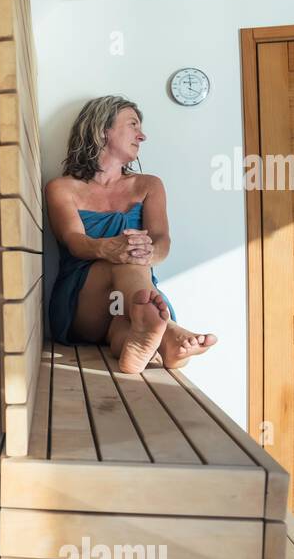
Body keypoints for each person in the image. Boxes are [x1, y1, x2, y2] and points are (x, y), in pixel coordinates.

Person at [46, 95, 217, 374]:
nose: (143, 135)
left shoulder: (149, 185)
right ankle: (169, 330)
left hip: (128, 304)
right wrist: (111, 249)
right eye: (133, 124)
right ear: (103, 130)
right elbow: (74, 242)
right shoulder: (62, 188)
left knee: (126, 326)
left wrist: (151, 252)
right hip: (83, 303)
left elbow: (162, 241)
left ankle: (148, 345)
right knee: (128, 263)